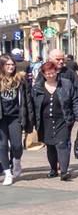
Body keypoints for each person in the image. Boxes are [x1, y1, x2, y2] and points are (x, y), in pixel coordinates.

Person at [31, 59, 78, 180]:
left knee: (62, 144)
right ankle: (53, 169)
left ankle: (64, 172)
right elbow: (32, 105)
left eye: (52, 72)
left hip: (63, 119)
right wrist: (31, 121)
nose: (50, 75)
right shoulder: (37, 87)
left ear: (56, 72)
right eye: (47, 73)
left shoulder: (66, 84)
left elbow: (75, 100)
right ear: (43, 74)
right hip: (45, 121)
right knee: (50, 145)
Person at [0, 55, 35, 184]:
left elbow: (27, 100)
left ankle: (16, 161)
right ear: (2, 66)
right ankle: (7, 173)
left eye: (12, 64)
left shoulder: (20, 80)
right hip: (1, 118)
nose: (11, 67)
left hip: (15, 117)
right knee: (2, 146)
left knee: (17, 145)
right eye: (7, 64)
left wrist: (30, 118)